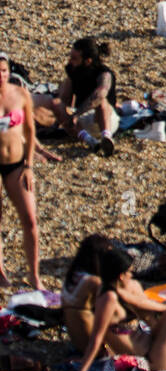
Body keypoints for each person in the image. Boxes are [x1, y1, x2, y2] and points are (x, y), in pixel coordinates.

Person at [76, 246, 166, 371]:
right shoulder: (108, 299)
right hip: (153, 359)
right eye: (129, 272)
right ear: (121, 276)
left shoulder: (116, 290)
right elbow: (96, 337)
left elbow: (143, 306)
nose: (131, 275)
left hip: (152, 342)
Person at [31, 37, 119, 155]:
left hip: (105, 119)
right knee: (56, 103)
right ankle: (91, 141)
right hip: (80, 122)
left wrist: (77, 114)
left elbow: (100, 94)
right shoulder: (74, 72)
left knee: (101, 101)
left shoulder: (104, 73)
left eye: (74, 58)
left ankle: (106, 137)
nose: (70, 61)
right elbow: (64, 100)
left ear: (88, 61)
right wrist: (62, 116)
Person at [0, 52, 41, 290]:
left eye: (4, 71)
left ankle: (34, 275)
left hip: (17, 163)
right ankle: (0, 271)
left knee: (30, 219)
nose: (1, 76)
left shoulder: (20, 94)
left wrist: (29, 165)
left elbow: (30, 131)